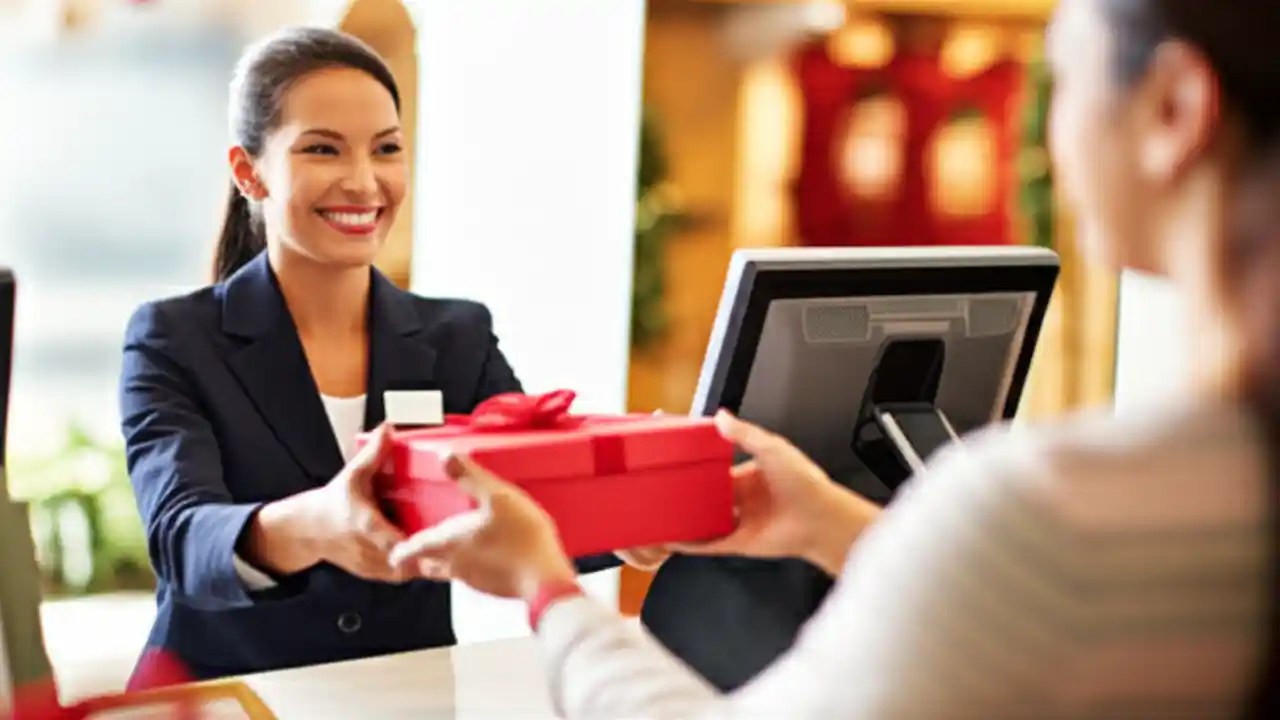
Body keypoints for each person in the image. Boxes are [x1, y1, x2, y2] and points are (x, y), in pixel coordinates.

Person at [389, 0, 1280, 716]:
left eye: (1065, 81)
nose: (1047, 138)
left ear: (1173, 109)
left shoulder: (1050, 516)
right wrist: (837, 527)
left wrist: (545, 588)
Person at [119, 27, 626, 685]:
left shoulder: (457, 338)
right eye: (323, 149)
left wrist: (633, 525)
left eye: (386, 149)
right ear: (250, 172)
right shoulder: (172, 338)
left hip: (404, 695)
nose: (363, 182)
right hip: (229, 697)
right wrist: (317, 525)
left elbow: (526, 498)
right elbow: (183, 535)